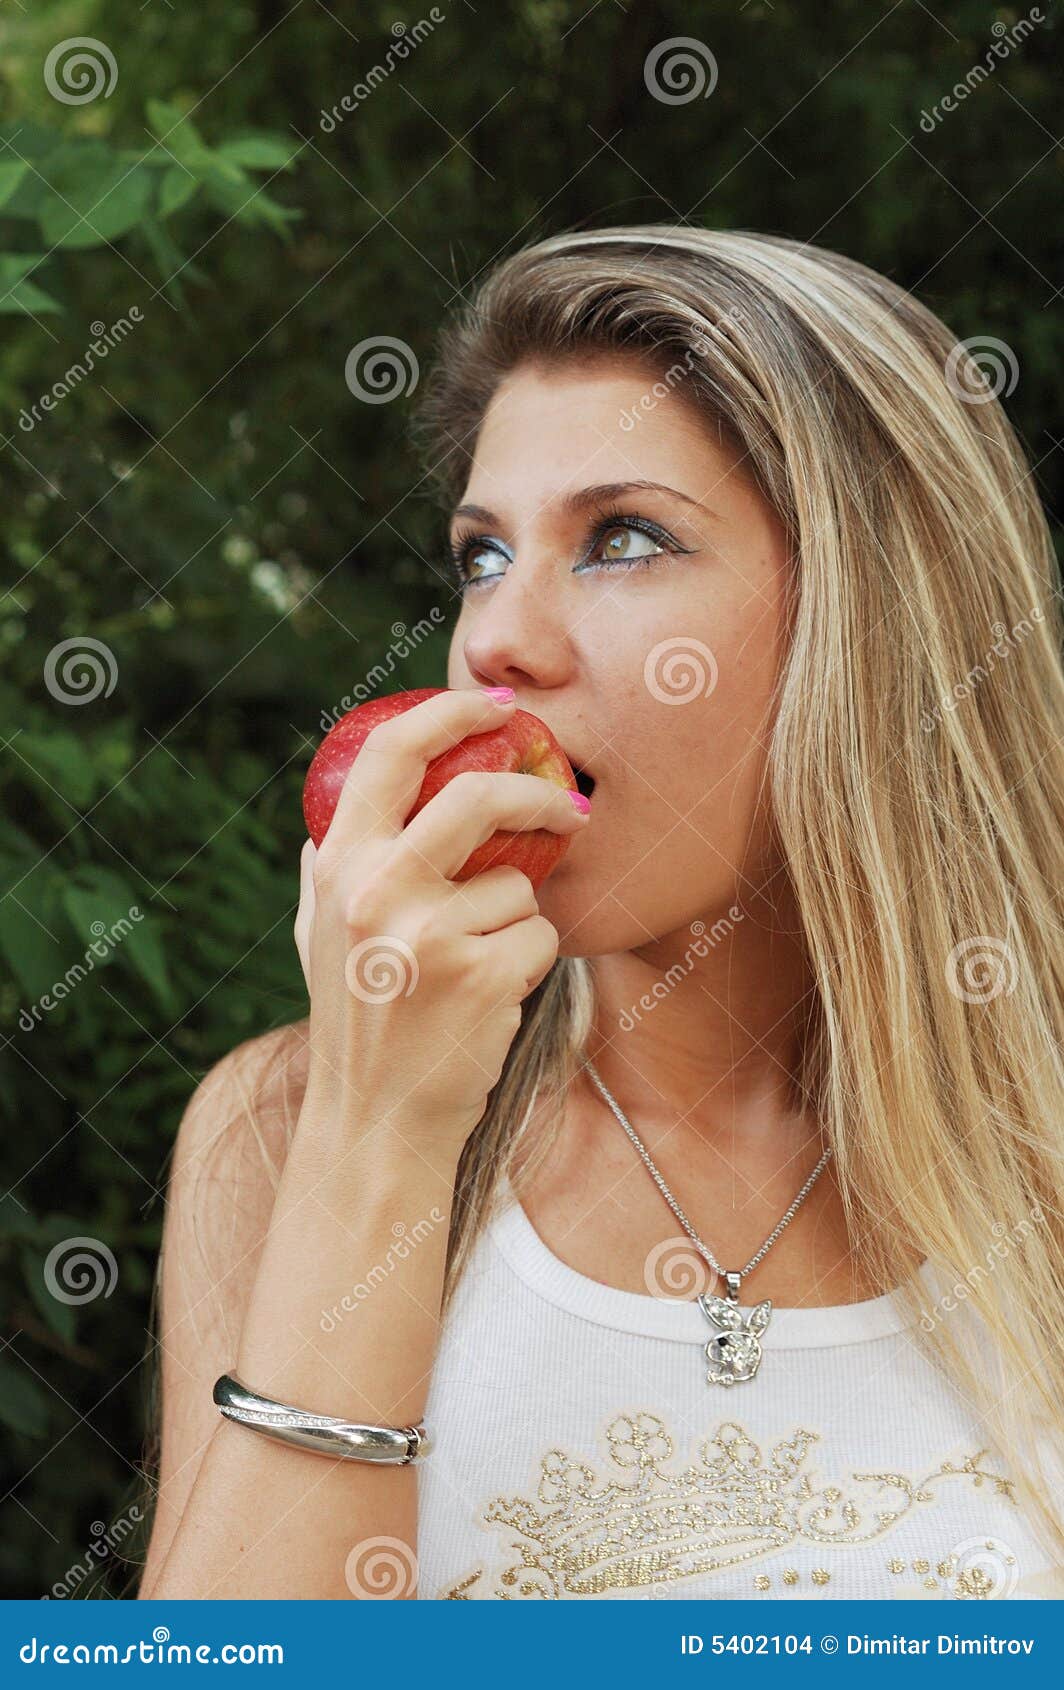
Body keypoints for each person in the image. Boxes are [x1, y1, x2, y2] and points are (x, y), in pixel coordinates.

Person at [137, 226, 1064, 1601]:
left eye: (622, 540)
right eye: (482, 556)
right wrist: (376, 1135)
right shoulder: (283, 1130)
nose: (494, 638)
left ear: (874, 625)